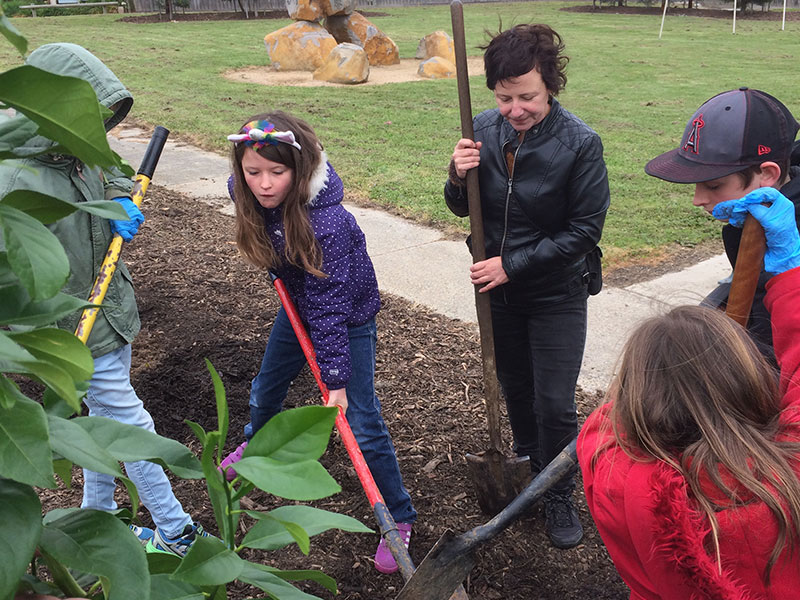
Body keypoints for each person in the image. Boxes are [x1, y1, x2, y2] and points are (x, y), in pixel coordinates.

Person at [0, 43, 210, 557]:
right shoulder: (12, 177)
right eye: (81, 117)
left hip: (109, 314)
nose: (91, 131)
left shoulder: (76, 152)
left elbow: (112, 169)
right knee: (127, 425)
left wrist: (118, 195)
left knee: (100, 420)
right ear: (48, 109)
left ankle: (97, 517)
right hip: (67, 327)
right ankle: (175, 529)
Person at [577, 186, 800, 599]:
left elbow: (605, 421)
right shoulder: (790, 472)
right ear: (750, 382)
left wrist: (646, 377)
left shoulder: (612, 470)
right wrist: (789, 272)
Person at [220, 111, 417, 574]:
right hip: (297, 306)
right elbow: (251, 202)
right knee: (264, 390)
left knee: (362, 420)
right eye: (253, 172)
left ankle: (399, 516)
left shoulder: (327, 224)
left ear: (301, 169)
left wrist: (335, 380)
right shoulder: (247, 192)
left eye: (277, 172)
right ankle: (258, 445)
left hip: (346, 317)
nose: (264, 184)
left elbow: (329, 310)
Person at [444, 24, 609, 548]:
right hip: (502, 297)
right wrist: (456, 173)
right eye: (505, 96)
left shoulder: (580, 143)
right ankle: (529, 475)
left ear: (551, 87)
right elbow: (460, 205)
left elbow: (585, 231)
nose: (515, 109)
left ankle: (559, 489)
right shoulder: (483, 130)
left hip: (557, 290)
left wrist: (510, 264)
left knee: (555, 401)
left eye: (528, 97)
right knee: (517, 392)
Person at [645, 87, 800, 361]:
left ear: (767, 174)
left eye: (714, 185)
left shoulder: (788, 235)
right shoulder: (752, 221)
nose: (697, 199)